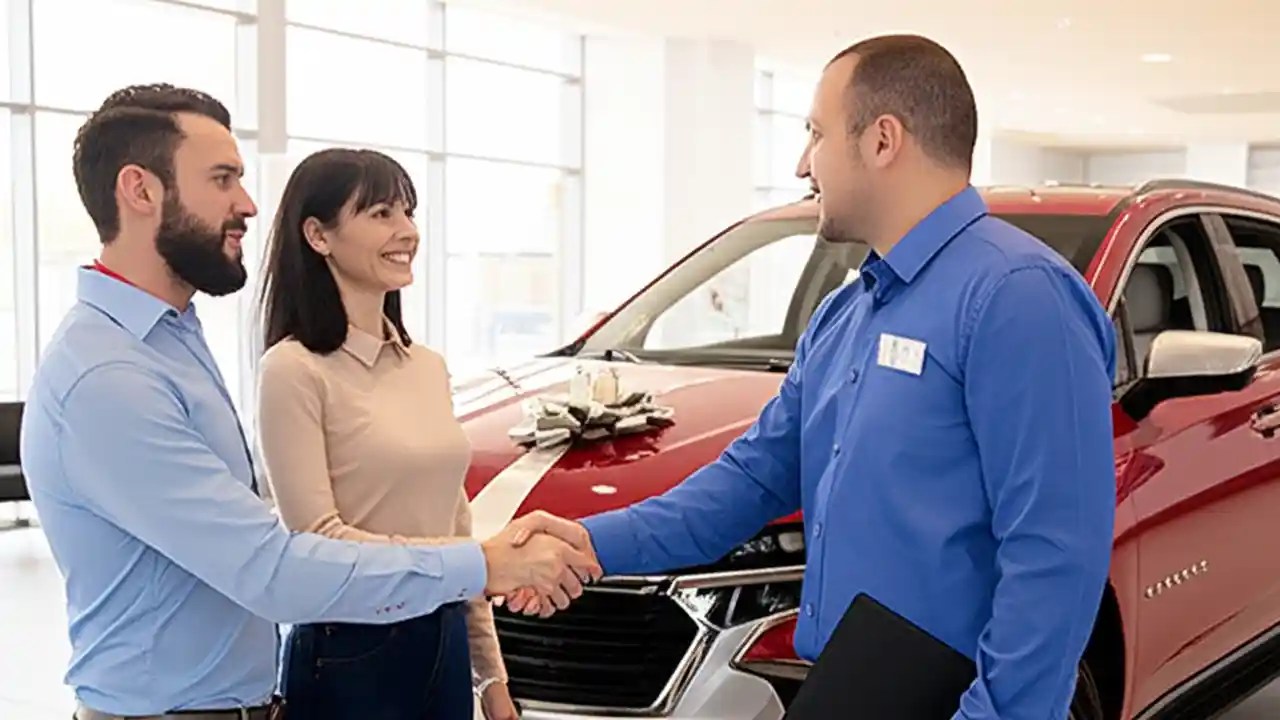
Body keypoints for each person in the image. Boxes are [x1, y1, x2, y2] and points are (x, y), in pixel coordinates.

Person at [503, 34, 1117, 720]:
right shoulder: (846, 313)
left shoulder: (1017, 296)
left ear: (883, 140)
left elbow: (1054, 552)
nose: (803, 164)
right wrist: (591, 542)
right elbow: (751, 479)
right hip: (852, 683)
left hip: (956, 701)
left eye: (815, 134)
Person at [18, 83, 598, 720]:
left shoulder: (171, 340)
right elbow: (271, 570)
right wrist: (483, 564)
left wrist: (486, 664)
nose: (247, 203)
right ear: (141, 190)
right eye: (222, 180)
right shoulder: (108, 376)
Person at [254, 148, 520, 720]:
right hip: (349, 651)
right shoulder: (293, 370)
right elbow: (316, 540)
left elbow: (456, 522)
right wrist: (472, 561)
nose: (407, 231)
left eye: (408, 212)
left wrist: (489, 674)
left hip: (442, 638)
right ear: (318, 235)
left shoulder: (426, 367)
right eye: (380, 214)